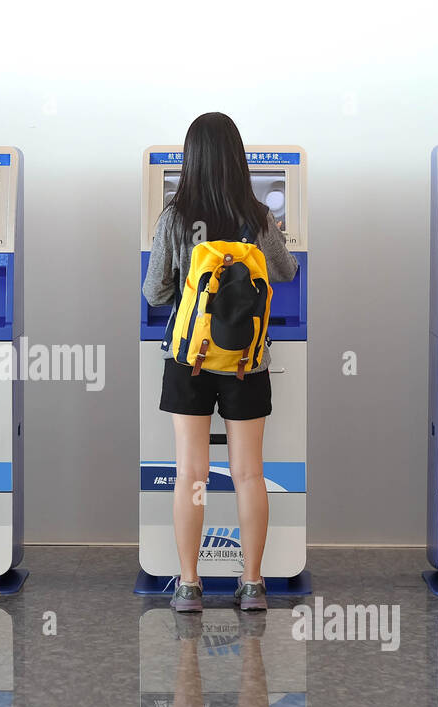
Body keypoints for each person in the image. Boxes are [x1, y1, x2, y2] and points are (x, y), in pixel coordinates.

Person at [142, 112, 299, 613]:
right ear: (238, 157)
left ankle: (189, 584)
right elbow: (287, 272)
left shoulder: (174, 216)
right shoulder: (257, 214)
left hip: (188, 358)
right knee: (249, 474)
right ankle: (252, 583)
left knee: (191, 473)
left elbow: (154, 290)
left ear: (190, 159)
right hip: (247, 362)